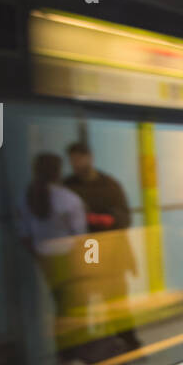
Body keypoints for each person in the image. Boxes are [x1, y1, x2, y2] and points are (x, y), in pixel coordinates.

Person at [64, 139, 142, 352]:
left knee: (116, 299)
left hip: (113, 253)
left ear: (89, 158)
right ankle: (88, 346)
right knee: (85, 300)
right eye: (73, 161)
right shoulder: (68, 186)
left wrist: (102, 220)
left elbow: (124, 218)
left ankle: (128, 341)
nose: (76, 165)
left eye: (79, 159)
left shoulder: (109, 185)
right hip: (86, 252)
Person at [14, 152, 88, 365]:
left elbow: (24, 234)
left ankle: (66, 356)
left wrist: (39, 255)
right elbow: (80, 236)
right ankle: (69, 356)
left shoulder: (25, 198)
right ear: (57, 171)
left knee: (61, 305)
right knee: (70, 307)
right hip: (68, 257)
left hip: (43, 257)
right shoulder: (68, 199)